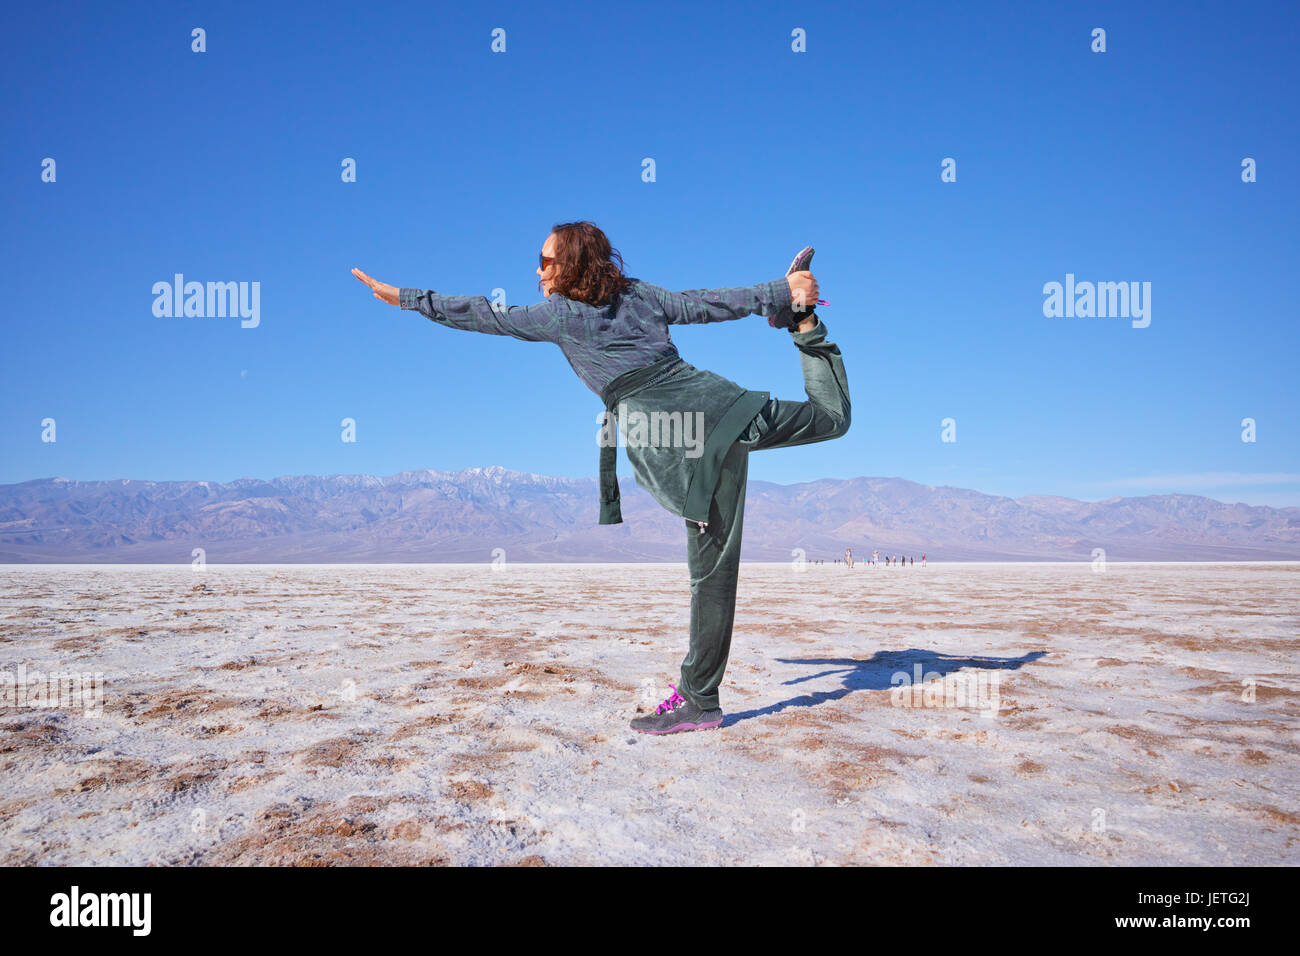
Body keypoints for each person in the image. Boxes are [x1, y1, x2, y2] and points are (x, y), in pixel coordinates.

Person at [353, 222, 850, 735]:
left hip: (678, 440)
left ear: (569, 264)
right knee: (831, 418)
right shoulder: (638, 295)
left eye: (545, 261)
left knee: (711, 575)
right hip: (723, 407)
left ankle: (701, 700)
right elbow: (703, 304)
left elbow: (485, 314)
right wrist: (780, 293)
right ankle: (803, 321)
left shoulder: (559, 316)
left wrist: (409, 298)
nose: (538, 270)